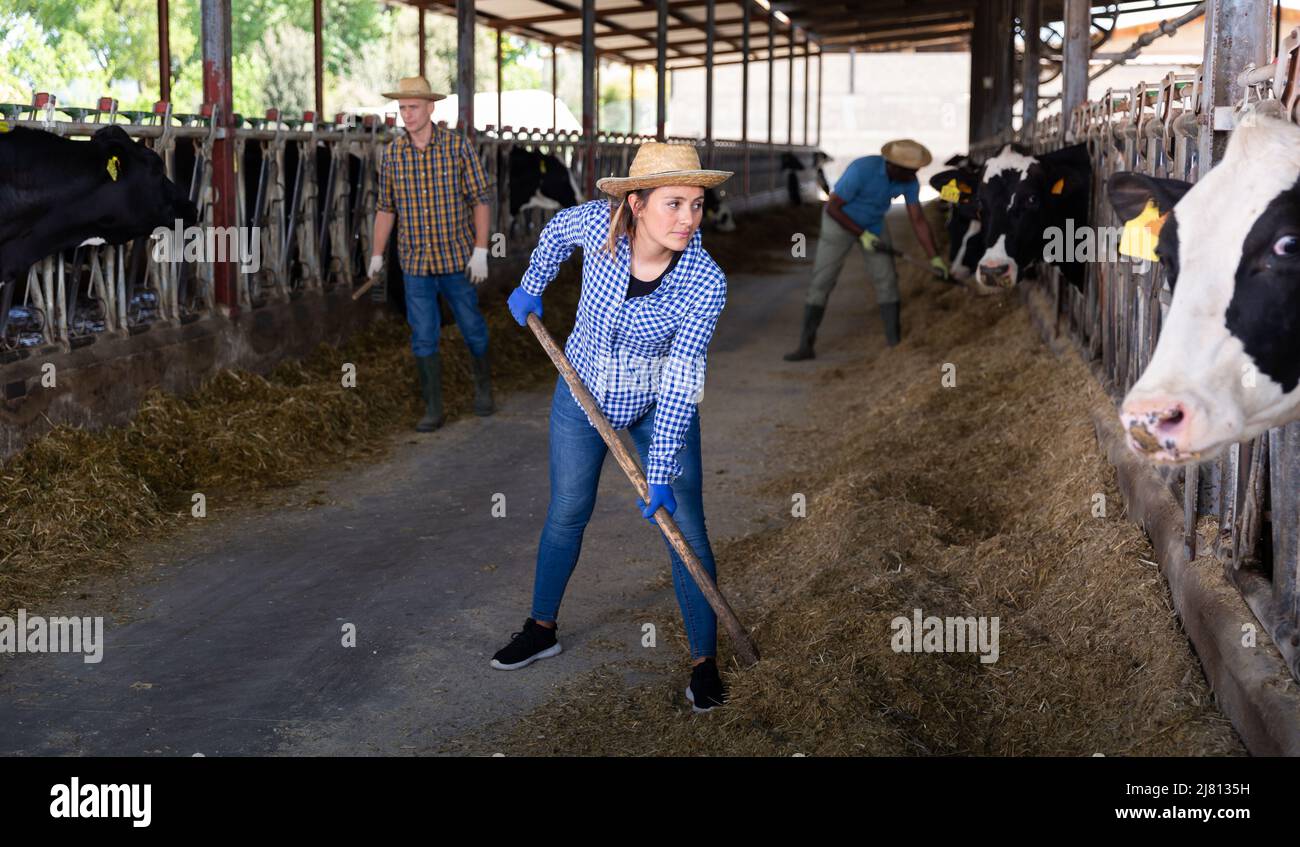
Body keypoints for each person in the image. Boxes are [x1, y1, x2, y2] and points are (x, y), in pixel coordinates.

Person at [492, 142, 733, 714]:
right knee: (568, 508)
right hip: (582, 391)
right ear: (635, 202)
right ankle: (542, 628)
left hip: (656, 401)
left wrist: (661, 467)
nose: (688, 219)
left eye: (697, 205)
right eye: (674, 204)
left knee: (685, 524)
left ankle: (704, 662)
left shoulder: (705, 281)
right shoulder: (597, 227)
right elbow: (553, 233)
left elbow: (682, 377)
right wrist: (534, 283)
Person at [369, 76, 495, 431]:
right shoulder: (393, 153)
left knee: (472, 326)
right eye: (402, 108)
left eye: (412, 107)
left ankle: (483, 390)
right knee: (423, 334)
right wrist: (377, 254)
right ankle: (433, 408)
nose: (406, 115)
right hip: (414, 262)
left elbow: (480, 200)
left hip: (456, 259)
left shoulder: (457, 148)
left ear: (430, 108)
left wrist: (481, 249)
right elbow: (385, 208)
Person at [784, 139, 949, 360]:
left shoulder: (908, 181)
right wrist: (861, 235)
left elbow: (917, 219)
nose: (915, 174)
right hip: (838, 223)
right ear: (894, 166)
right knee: (822, 280)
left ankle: (894, 345)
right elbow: (832, 206)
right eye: (911, 170)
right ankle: (805, 345)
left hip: (873, 225)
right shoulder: (862, 170)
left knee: (887, 279)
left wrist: (935, 258)